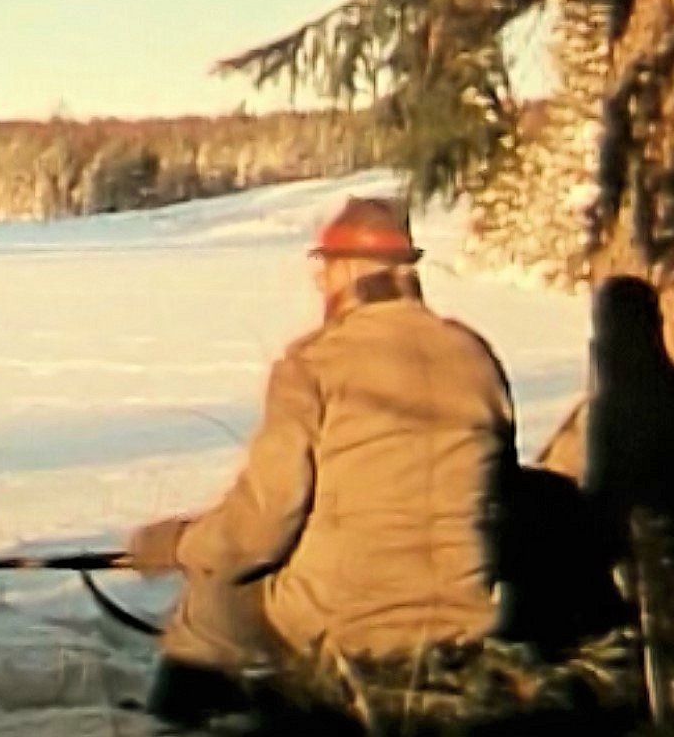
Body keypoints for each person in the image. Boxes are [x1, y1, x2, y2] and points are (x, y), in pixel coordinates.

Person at [125, 197, 518, 728]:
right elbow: (501, 493)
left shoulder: (314, 364)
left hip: (346, 623)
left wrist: (176, 545)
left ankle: (171, 720)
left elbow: (259, 527)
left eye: (325, 269)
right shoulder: (476, 357)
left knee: (215, 591)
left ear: (351, 269)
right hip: (464, 622)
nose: (318, 285)